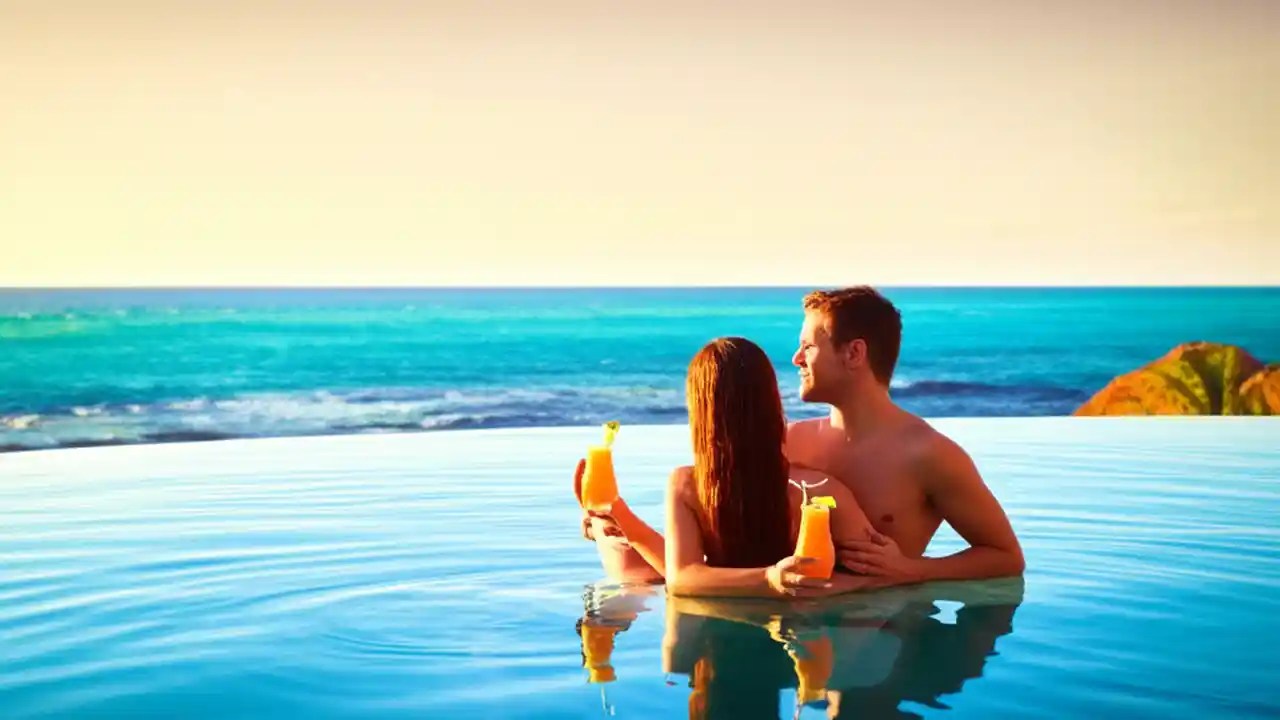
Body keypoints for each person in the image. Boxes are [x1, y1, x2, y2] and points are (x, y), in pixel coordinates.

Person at [577, 337, 878, 597]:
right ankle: (611, 526)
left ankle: (610, 532)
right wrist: (621, 517)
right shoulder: (819, 488)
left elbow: (683, 579)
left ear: (701, 411)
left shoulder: (688, 485)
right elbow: (879, 576)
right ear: (771, 402)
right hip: (801, 640)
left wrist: (770, 579)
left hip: (712, 632)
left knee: (634, 583)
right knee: (624, 554)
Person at [787, 287, 1023, 585]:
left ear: (854, 353)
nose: (796, 359)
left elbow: (1006, 556)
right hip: (796, 626)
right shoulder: (789, 442)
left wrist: (912, 571)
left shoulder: (928, 455)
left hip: (891, 627)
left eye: (807, 347)